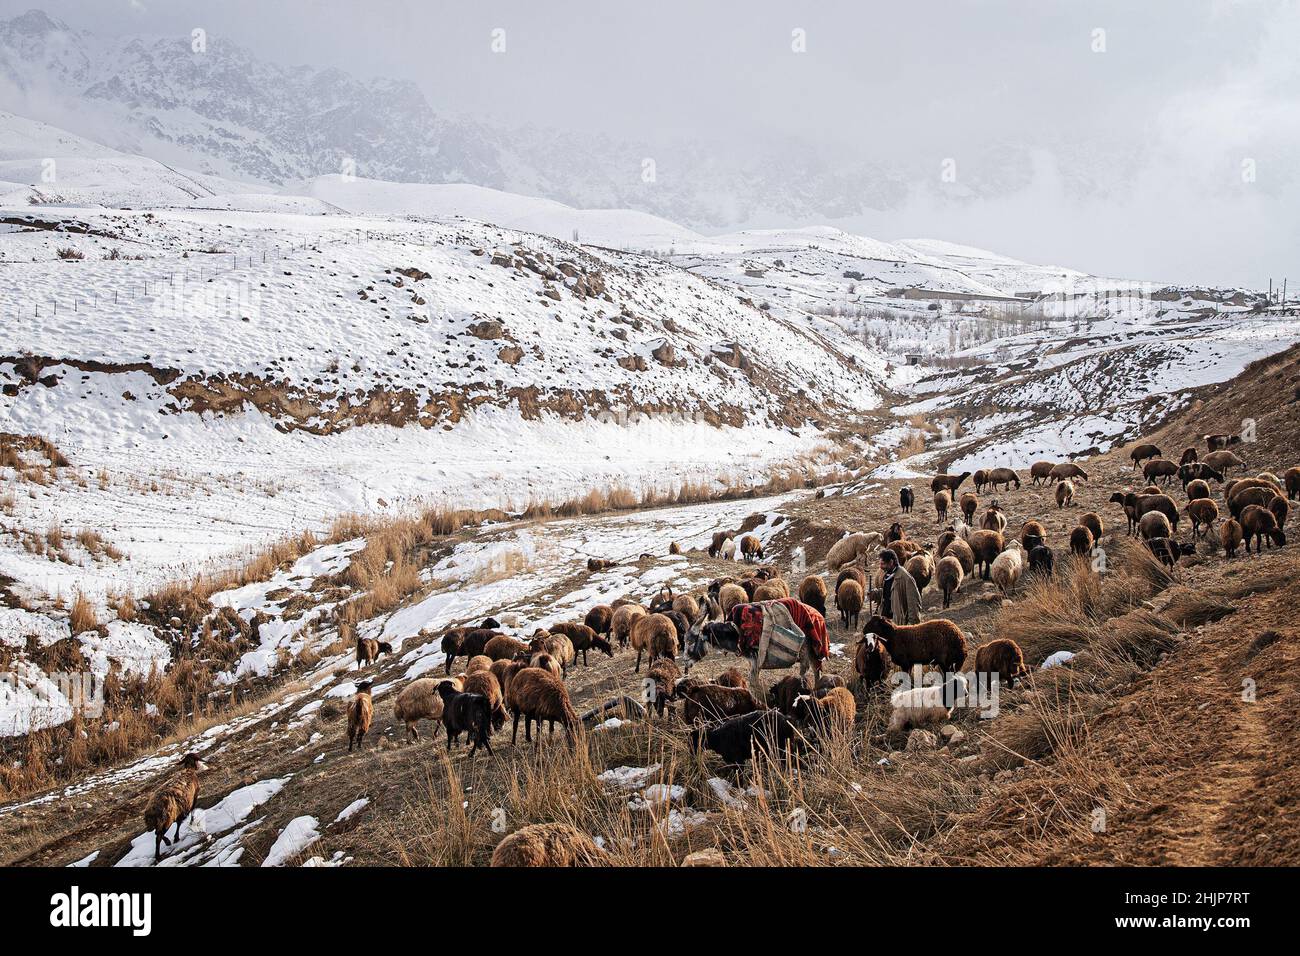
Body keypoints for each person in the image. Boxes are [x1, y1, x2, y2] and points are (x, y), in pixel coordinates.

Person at [868, 548, 921, 624]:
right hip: (886, 620)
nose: (880, 567)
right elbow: (890, 593)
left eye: (883, 564)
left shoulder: (905, 578)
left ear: (891, 562)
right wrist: (876, 594)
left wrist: (911, 625)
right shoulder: (888, 575)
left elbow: (913, 603)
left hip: (898, 623)